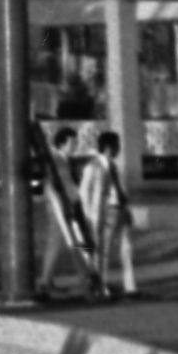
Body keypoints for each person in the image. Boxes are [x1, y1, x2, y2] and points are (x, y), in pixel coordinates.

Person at [77, 127, 140, 296]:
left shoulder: (113, 166)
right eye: (117, 145)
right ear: (109, 147)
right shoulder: (93, 167)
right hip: (107, 211)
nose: (119, 149)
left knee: (127, 249)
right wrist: (89, 216)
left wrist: (126, 208)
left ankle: (130, 285)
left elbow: (119, 189)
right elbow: (84, 193)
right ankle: (101, 285)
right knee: (103, 250)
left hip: (120, 209)